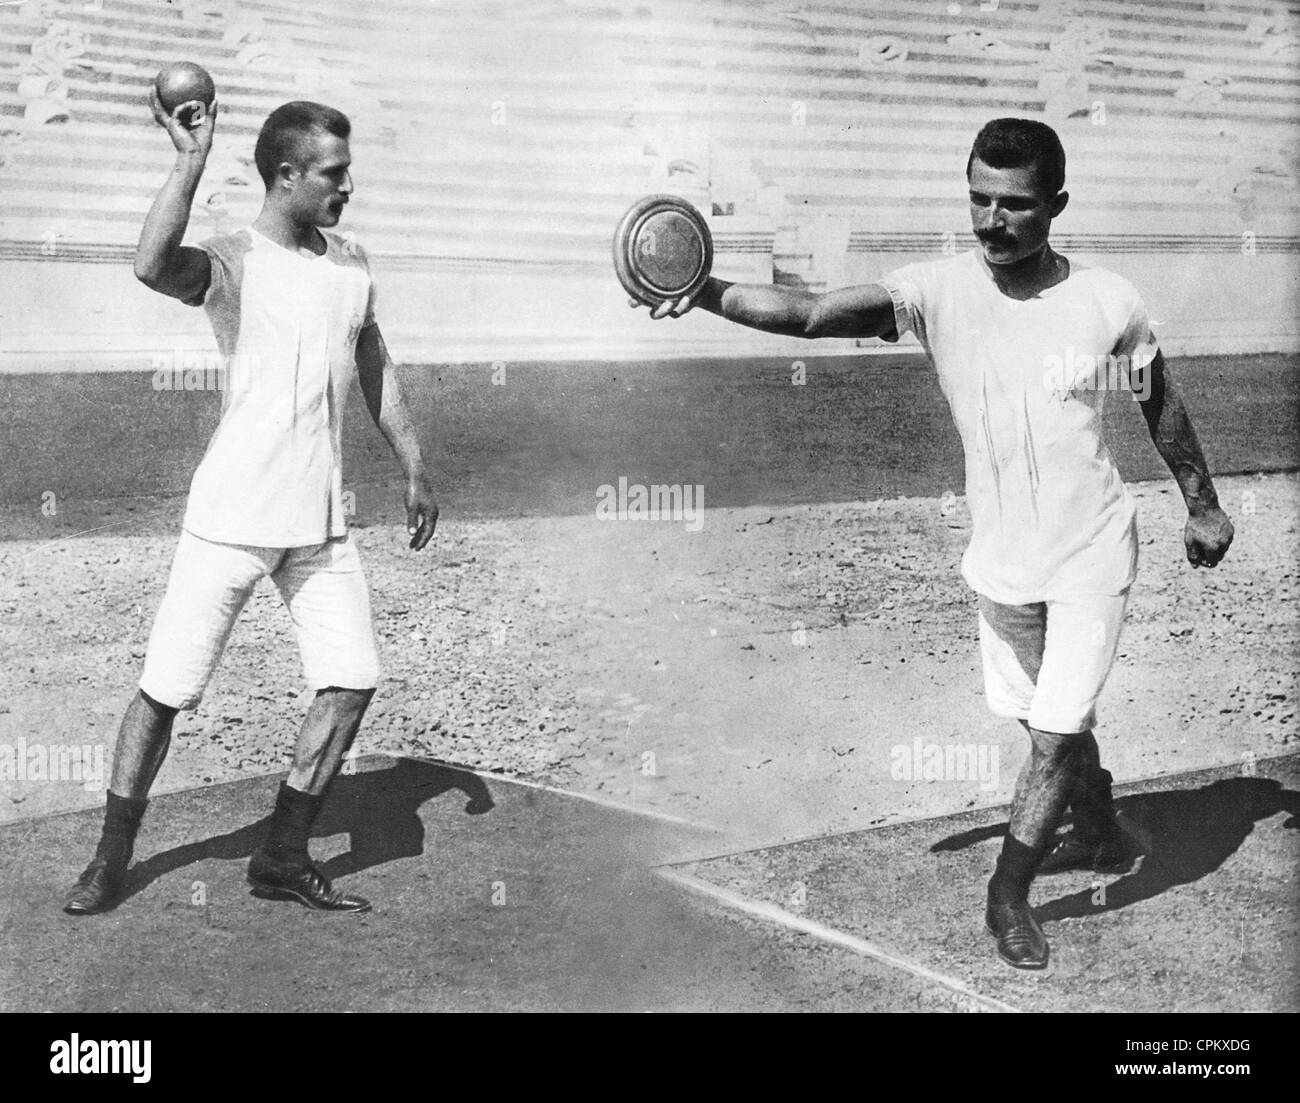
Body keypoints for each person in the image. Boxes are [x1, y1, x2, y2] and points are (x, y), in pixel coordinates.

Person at [635, 117, 1234, 969]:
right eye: (978, 200)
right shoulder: (934, 289)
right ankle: (1096, 824)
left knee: (1058, 729)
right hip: (1000, 556)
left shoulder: (1109, 299)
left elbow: (1158, 398)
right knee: (1038, 718)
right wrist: (699, 291)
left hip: (1094, 549)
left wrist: (1202, 505)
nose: (992, 221)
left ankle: (1009, 890)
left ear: (1057, 205)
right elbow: (806, 314)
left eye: (1015, 206)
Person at [64, 92, 438, 916]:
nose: (347, 188)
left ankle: (281, 853)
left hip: (320, 525)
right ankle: (109, 856)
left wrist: (412, 462)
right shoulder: (233, 261)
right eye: (334, 175)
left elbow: (373, 361)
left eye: (347, 173)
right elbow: (152, 265)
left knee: (352, 679)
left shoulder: (352, 263)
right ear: (286, 176)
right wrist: (189, 161)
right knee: (166, 690)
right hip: (230, 517)